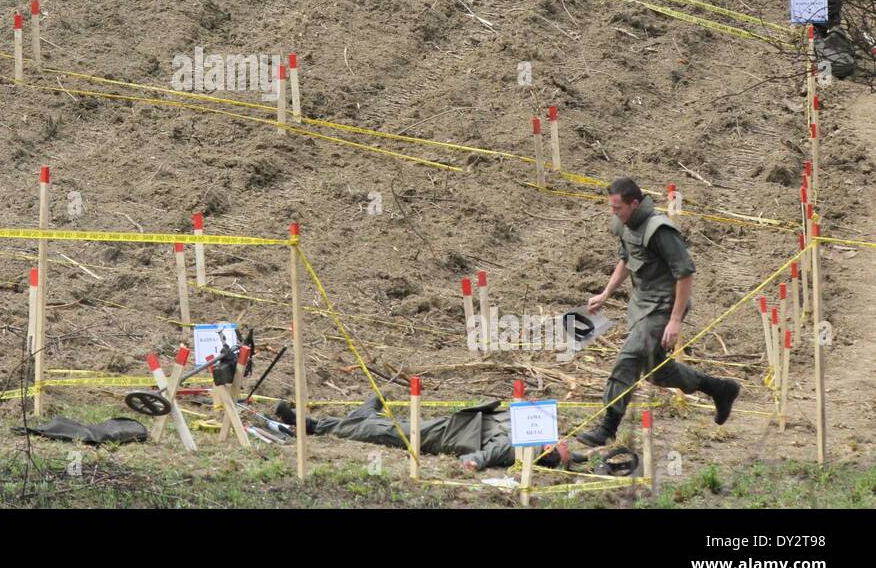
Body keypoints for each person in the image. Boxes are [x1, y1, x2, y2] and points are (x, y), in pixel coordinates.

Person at [576, 177, 738, 446]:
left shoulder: (660, 229)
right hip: (642, 303)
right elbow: (627, 259)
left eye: (618, 208)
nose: (613, 213)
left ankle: (607, 428)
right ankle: (720, 389)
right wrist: (606, 293)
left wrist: (675, 320)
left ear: (635, 203)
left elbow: (685, 273)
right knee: (656, 371)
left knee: (628, 358)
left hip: (665, 305)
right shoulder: (624, 223)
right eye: (612, 208)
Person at [274, 394, 582, 470]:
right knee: (392, 427)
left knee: (388, 432)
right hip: (461, 423)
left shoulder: (524, 447)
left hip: (452, 437)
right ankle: (363, 416)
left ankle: (312, 425)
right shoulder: (537, 433)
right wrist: (579, 455)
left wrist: (474, 461)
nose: (564, 441)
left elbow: (492, 453)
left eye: (562, 446)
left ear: (548, 452)